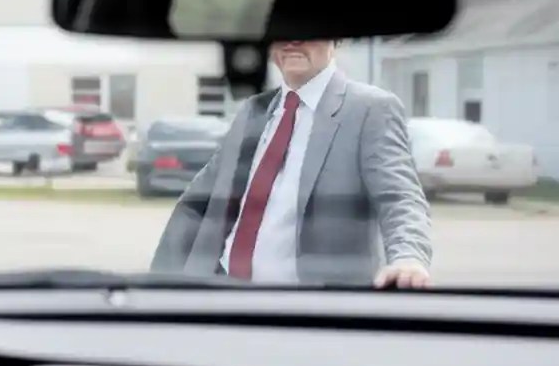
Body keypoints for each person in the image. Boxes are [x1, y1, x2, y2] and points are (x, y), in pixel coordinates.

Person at [151, 40, 432, 288]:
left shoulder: (370, 109)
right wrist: (161, 282)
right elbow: (196, 202)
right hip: (225, 297)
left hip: (308, 311)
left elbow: (400, 197)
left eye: (308, 30)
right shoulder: (253, 112)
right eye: (283, 31)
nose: (293, 41)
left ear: (337, 38)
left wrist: (408, 256)